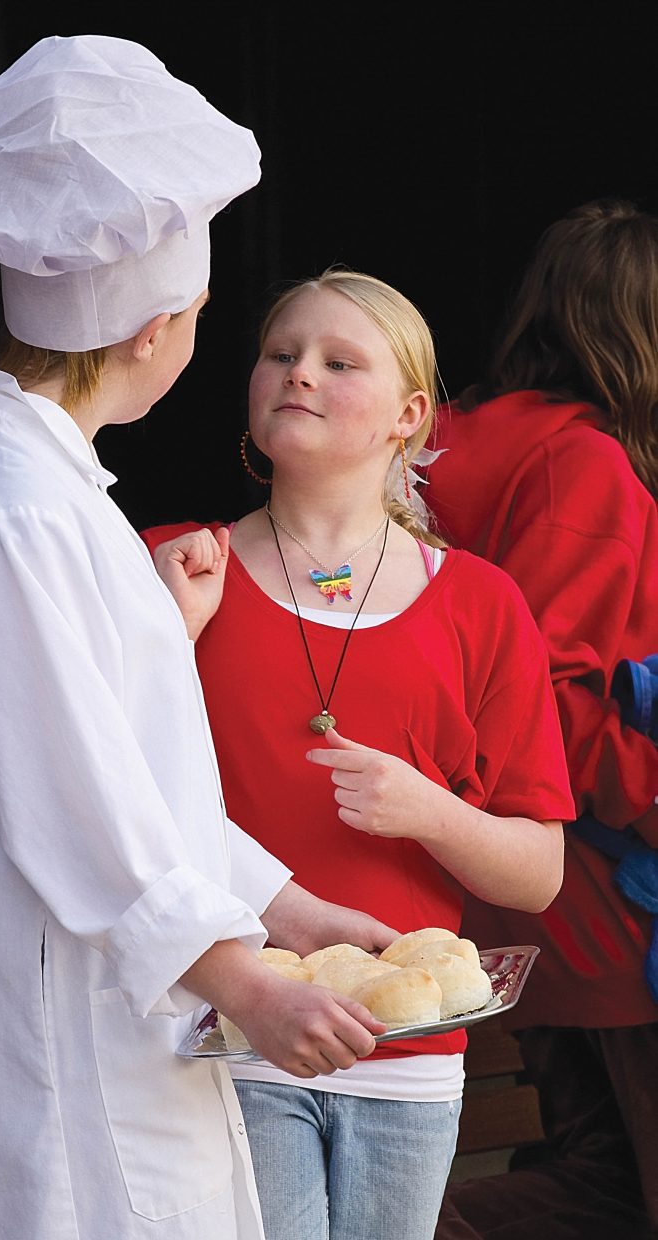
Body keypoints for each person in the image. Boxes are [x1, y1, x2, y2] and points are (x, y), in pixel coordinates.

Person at [0, 38, 403, 1240]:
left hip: (119, 1035)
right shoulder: (13, 513)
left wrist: (292, 914)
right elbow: (80, 805)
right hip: (61, 1060)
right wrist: (244, 981)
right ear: (158, 326)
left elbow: (138, 775)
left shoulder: (53, 492)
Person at [141, 267, 573, 1240]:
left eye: (340, 361)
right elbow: (104, 793)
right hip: (223, 1036)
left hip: (411, 1051)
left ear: (409, 415)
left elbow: (539, 871)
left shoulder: (482, 603)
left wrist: (431, 809)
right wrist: (162, 639)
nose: (299, 375)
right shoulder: (171, 567)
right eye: (280, 354)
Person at [419, 199, 658, 1240]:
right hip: (596, 892)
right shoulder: (580, 461)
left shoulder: (472, 439)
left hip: (531, 883)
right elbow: (547, 698)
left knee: (598, 1173)